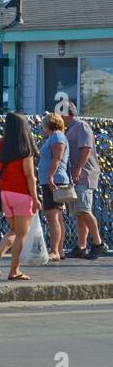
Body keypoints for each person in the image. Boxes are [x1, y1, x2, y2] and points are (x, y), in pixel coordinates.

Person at [0, 112, 42, 281]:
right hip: (22, 195)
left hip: (5, 194)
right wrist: (35, 198)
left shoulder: (0, 145)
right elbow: (30, 176)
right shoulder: (25, 147)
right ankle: (14, 271)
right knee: (22, 234)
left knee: (14, 230)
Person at [63, 109, 106, 259]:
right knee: (79, 213)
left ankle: (98, 243)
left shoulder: (81, 125)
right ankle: (81, 247)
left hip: (84, 175)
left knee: (84, 209)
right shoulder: (71, 128)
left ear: (67, 113)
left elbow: (86, 148)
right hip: (77, 175)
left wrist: (78, 169)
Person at [37, 112, 70, 261]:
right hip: (51, 180)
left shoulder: (57, 136)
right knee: (57, 216)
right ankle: (60, 250)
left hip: (53, 180)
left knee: (52, 217)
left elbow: (57, 157)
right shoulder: (54, 137)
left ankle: (55, 250)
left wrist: (50, 176)